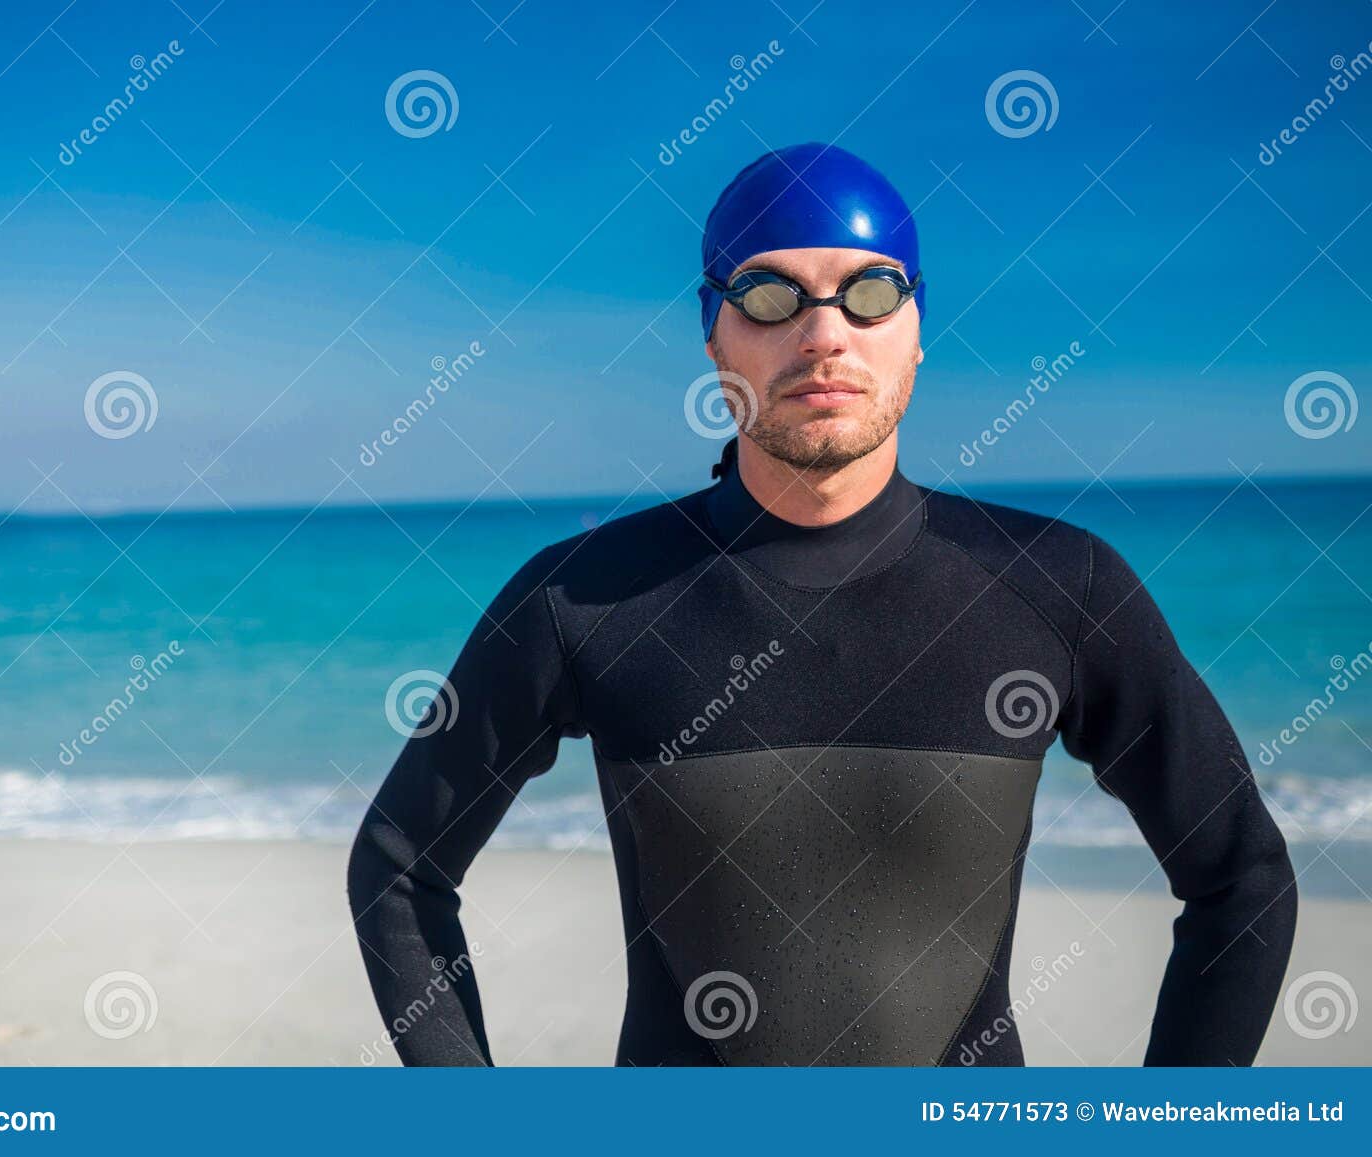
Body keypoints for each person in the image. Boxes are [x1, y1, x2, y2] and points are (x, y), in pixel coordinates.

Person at [345, 141, 1298, 1066]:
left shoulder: (1059, 587)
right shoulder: (582, 599)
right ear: (712, 330)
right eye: (769, 294)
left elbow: (1241, 878)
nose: (824, 333)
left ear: (919, 331)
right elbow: (398, 865)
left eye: (872, 292)